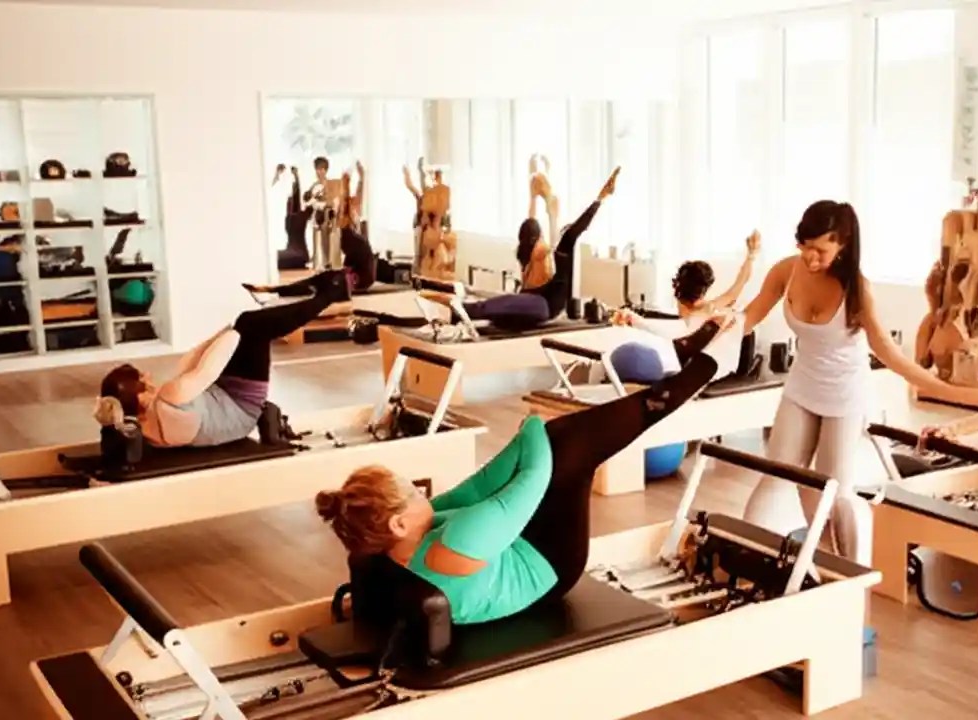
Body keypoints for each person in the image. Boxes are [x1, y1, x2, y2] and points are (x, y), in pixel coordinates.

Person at [315, 320, 728, 625]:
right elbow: (528, 484)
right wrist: (534, 425)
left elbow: (480, 486)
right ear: (399, 521)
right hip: (550, 563)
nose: (424, 494)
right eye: (413, 492)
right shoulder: (453, 544)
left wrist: (530, 438)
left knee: (563, 443)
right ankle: (699, 372)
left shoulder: (401, 541)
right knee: (566, 447)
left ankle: (693, 373)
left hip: (512, 550)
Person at [732, 200, 978, 561]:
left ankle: (850, 572)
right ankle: (745, 552)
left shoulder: (857, 290)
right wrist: (712, 332)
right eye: (805, 246)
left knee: (837, 489)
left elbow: (887, 352)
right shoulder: (787, 270)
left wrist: (949, 391)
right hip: (802, 386)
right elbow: (750, 314)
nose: (811, 258)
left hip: (845, 394)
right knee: (778, 473)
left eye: (822, 250)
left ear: (843, 245)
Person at [95, 270, 350, 448]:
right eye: (142, 377)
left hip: (224, 401)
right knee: (252, 324)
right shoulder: (169, 396)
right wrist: (233, 331)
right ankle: (327, 297)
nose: (147, 375)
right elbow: (207, 371)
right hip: (241, 405)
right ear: (138, 394)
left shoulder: (145, 422)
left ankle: (319, 297)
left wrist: (227, 330)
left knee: (247, 323)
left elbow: (189, 363)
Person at [416, 164, 620, 331]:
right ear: (537, 236)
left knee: (484, 308)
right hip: (536, 306)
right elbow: (556, 226)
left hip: (540, 307)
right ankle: (445, 312)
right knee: (491, 311)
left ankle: (446, 311)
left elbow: (557, 226)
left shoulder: (533, 253)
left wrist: (536, 198)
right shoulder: (539, 252)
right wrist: (599, 198)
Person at [610, 231, 761, 380]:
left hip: (713, 368)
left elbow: (662, 328)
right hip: (721, 362)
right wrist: (751, 256)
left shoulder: (692, 324)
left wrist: (632, 318)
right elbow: (740, 282)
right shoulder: (711, 308)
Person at [246, 162, 380, 299]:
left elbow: (347, 200)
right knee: (318, 281)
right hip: (358, 269)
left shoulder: (345, 223)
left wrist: (354, 179)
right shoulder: (343, 226)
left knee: (318, 283)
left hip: (359, 273)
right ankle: (280, 290)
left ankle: (280, 290)